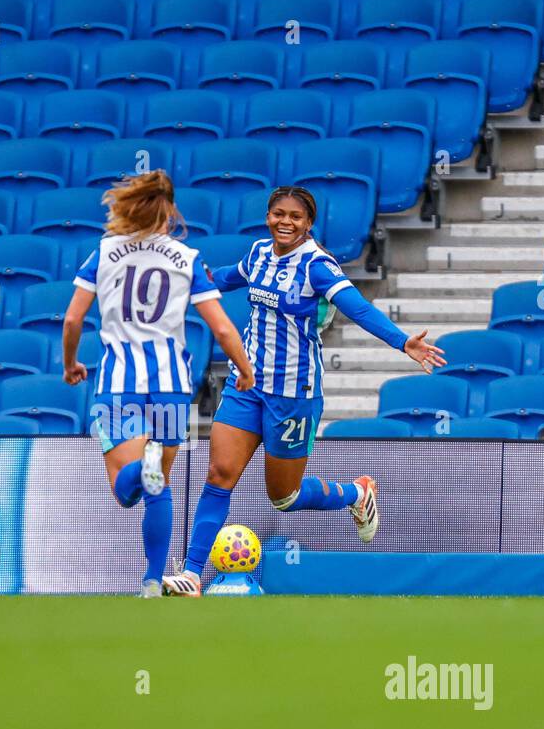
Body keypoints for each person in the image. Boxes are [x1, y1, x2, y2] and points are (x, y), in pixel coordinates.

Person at [162, 186, 446, 597]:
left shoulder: (318, 266)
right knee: (219, 475)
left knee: (284, 496)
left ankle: (356, 492)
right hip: (248, 385)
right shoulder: (259, 253)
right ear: (269, 216)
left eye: (295, 216)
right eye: (279, 213)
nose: (286, 222)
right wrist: (183, 283)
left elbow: (358, 309)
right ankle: (191, 573)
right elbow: (223, 279)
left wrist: (404, 342)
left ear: (308, 223)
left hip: (294, 394)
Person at [62, 169, 255, 598]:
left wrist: (71, 362)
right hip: (172, 384)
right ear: (170, 211)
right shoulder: (186, 259)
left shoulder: (105, 252)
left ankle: (142, 469)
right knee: (158, 486)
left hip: (119, 382)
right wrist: (243, 368)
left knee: (126, 491)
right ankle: (152, 580)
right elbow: (222, 329)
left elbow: (74, 318)